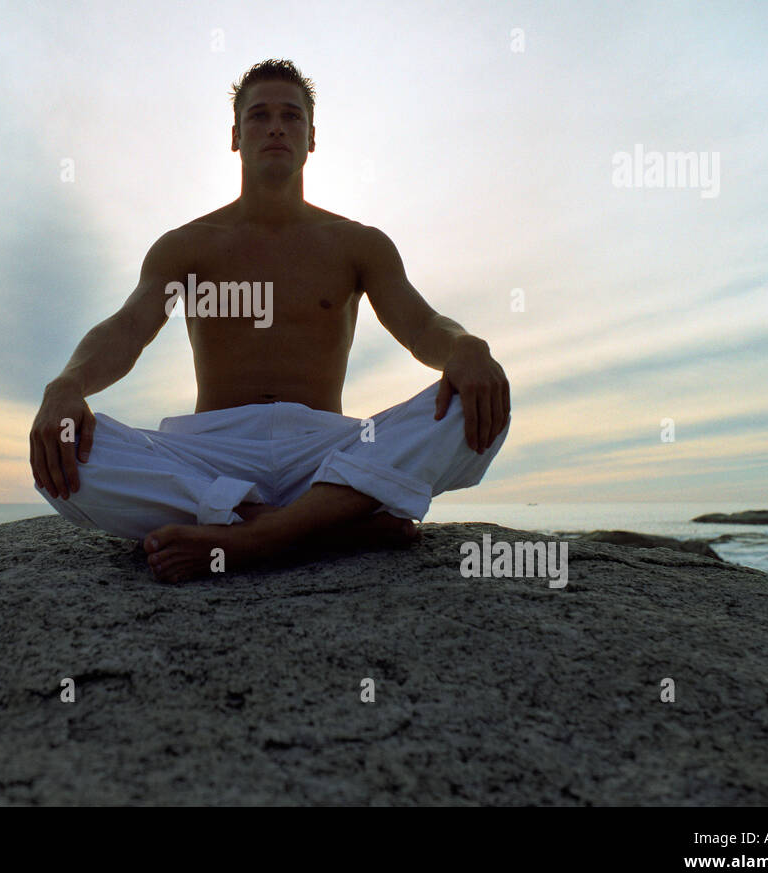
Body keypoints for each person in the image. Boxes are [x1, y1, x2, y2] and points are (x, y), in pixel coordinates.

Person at [30, 59, 510, 583]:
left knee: (478, 399)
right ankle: (326, 528)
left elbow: (421, 326)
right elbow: (127, 329)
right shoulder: (187, 245)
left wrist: (465, 345)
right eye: (259, 116)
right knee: (68, 450)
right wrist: (67, 383)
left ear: (311, 137)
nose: (276, 126)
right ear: (236, 136)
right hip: (212, 451)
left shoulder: (359, 244)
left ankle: (254, 537)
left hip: (325, 452)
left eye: (291, 116)